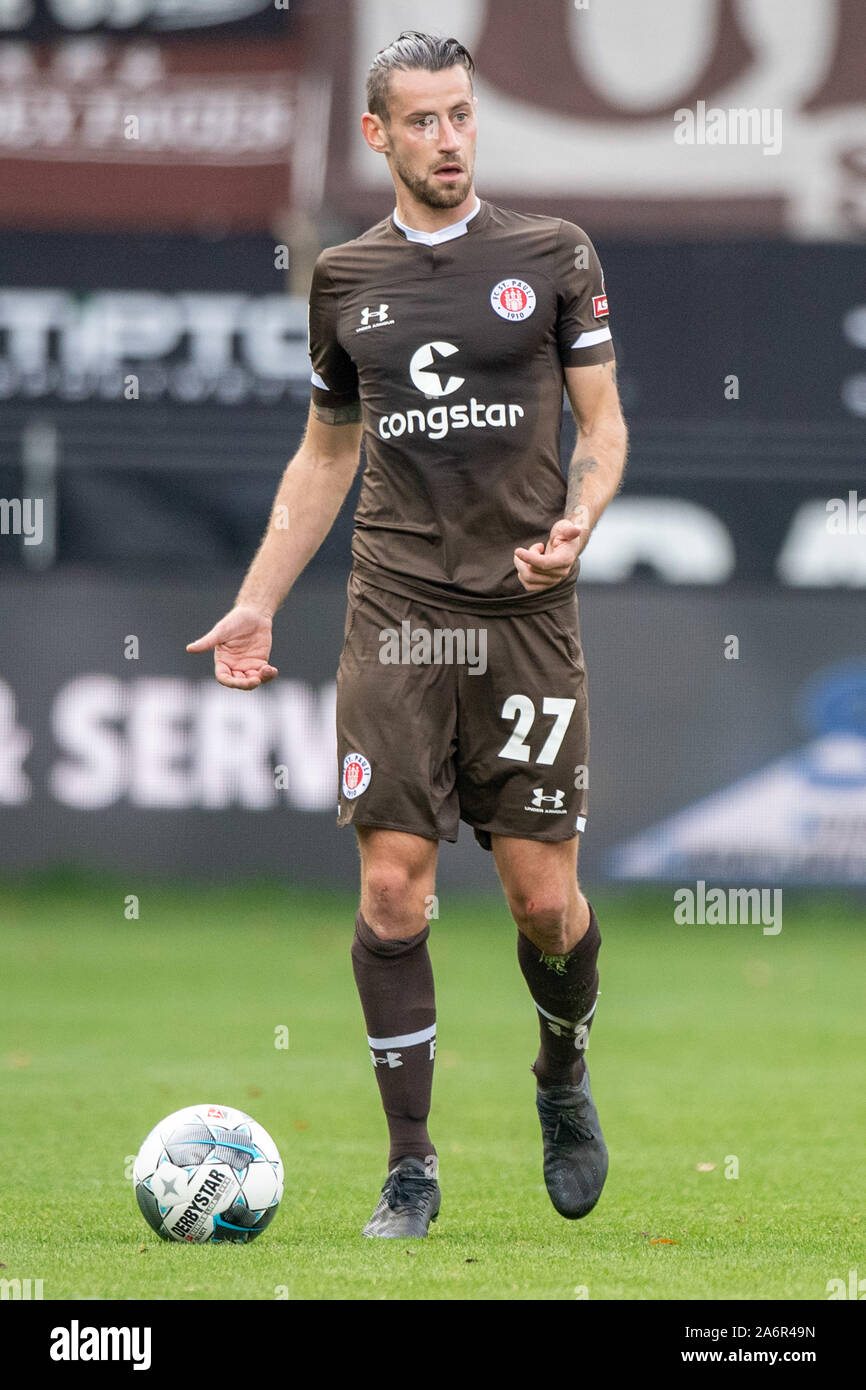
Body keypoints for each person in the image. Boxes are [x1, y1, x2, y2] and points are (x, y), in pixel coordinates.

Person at [187, 30, 628, 1238]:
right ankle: (409, 1163)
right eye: (422, 121)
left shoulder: (549, 255)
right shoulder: (344, 277)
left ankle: (560, 1074)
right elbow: (326, 452)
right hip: (397, 607)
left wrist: (580, 516)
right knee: (393, 886)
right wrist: (261, 595)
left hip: (527, 614)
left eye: (461, 116)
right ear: (376, 135)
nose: (447, 139)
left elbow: (602, 429)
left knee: (545, 902)